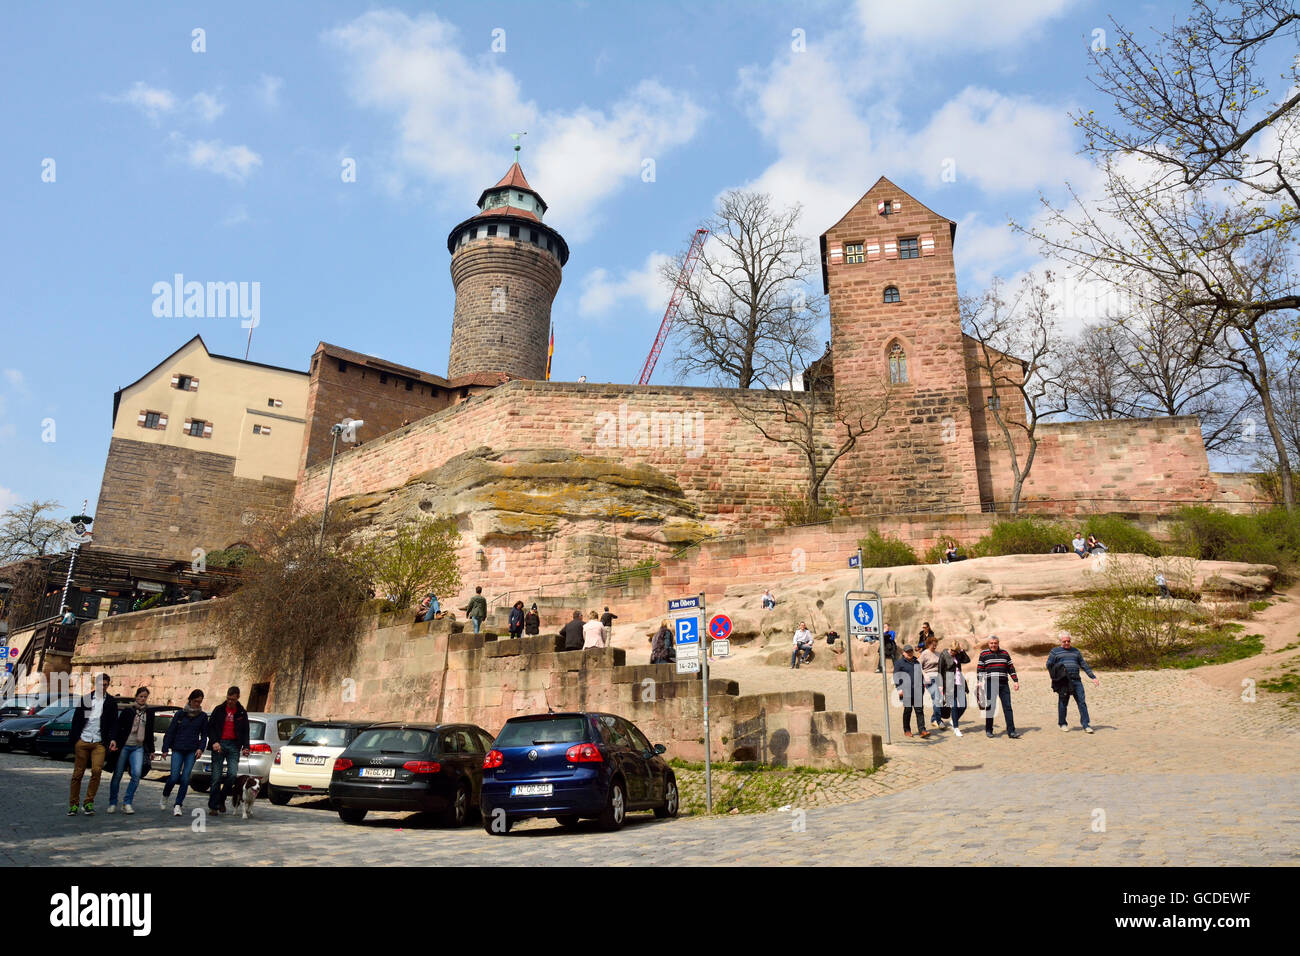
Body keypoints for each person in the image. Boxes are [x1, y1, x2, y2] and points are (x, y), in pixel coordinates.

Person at [68, 673, 118, 816]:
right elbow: (77, 720)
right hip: (83, 740)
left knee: (97, 771)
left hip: (99, 742)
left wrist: (113, 739)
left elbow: (114, 722)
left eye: (105, 684)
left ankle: (88, 802)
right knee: (78, 774)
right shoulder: (86, 700)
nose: (103, 687)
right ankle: (73, 804)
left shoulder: (110, 702)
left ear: (108, 685)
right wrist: (76, 739)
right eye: (100, 684)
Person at [107, 686, 155, 814]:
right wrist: (114, 740)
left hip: (138, 747)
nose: (143, 699)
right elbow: (118, 726)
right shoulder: (128, 711)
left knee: (136, 774)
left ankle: (127, 802)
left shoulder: (149, 713)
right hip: (125, 745)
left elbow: (149, 732)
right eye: (141, 696)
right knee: (117, 774)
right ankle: (112, 802)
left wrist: (151, 750)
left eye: (145, 697)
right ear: (136, 697)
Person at [161, 689, 208, 815]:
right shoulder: (180, 714)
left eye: (200, 702)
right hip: (178, 748)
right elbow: (170, 732)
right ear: (190, 700)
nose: (197, 704)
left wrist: (200, 748)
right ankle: (165, 794)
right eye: (195, 701)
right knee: (174, 777)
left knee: (185, 778)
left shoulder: (203, 717)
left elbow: (204, 735)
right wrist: (165, 748)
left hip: (192, 750)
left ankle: (178, 804)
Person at [205, 686, 250, 815]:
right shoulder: (219, 710)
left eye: (233, 699)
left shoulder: (242, 712)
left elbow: (245, 731)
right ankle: (213, 806)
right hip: (219, 744)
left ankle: (222, 798)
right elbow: (211, 727)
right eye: (228, 699)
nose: (230, 701)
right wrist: (214, 742)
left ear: (238, 698)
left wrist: (246, 746)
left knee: (232, 775)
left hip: (234, 746)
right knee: (216, 777)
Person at [1046, 633, 1099, 733]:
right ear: (1060, 641)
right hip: (1064, 682)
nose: (1067, 643)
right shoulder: (1055, 652)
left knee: (1082, 702)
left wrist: (1093, 677)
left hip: (1076, 681)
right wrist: (1056, 677)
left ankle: (1086, 724)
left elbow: (1083, 664)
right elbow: (1049, 665)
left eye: (1068, 641)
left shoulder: (1076, 651)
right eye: (1064, 641)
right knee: (1063, 702)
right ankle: (1063, 724)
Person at [977, 634, 1020, 739]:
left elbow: (1011, 668)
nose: (993, 645)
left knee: (1008, 707)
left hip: (1004, 684)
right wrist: (980, 681)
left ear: (998, 643)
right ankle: (989, 730)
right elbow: (980, 668)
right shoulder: (983, 654)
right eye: (991, 643)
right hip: (990, 684)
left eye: (995, 643)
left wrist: (1015, 681)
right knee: (991, 708)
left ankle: (1011, 731)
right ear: (988, 644)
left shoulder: (1005, 653)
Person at [893, 644, 930, 738]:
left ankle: (922, 730)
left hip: (917, 690)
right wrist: (899, 689)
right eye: (907, 652)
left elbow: (919, 675)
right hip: (906, 691)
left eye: (911, 651)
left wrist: (922, 686)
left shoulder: (916, 662)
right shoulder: (899, 663)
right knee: (908, 710)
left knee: (919, 710)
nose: (909, 653)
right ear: (903, 653)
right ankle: (907, 730)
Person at [938, 639, 971, 737]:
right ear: (949, 648)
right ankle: (956, 728)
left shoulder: (958, 654)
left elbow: (967, 660)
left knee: (964, 706)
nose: (953, 653)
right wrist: (940, 685)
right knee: (954, 706)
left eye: (955, 651)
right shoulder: (944, 654)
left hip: (959, 682)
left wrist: (961, 651)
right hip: (948, 683)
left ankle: (954, 720)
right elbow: (940, 670)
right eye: (952, 650)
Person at [920, 636, 944, 726]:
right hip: (929, 678)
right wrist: (924, 674)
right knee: (937, 698)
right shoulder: (924, 653)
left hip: (938, 677)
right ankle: (938, 720)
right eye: (933, 645)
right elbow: (918, 665)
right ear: (928, 644)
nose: (934, 647)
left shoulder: (938, 654)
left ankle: (934, 718)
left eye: (936, 645)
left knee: (939, 699)